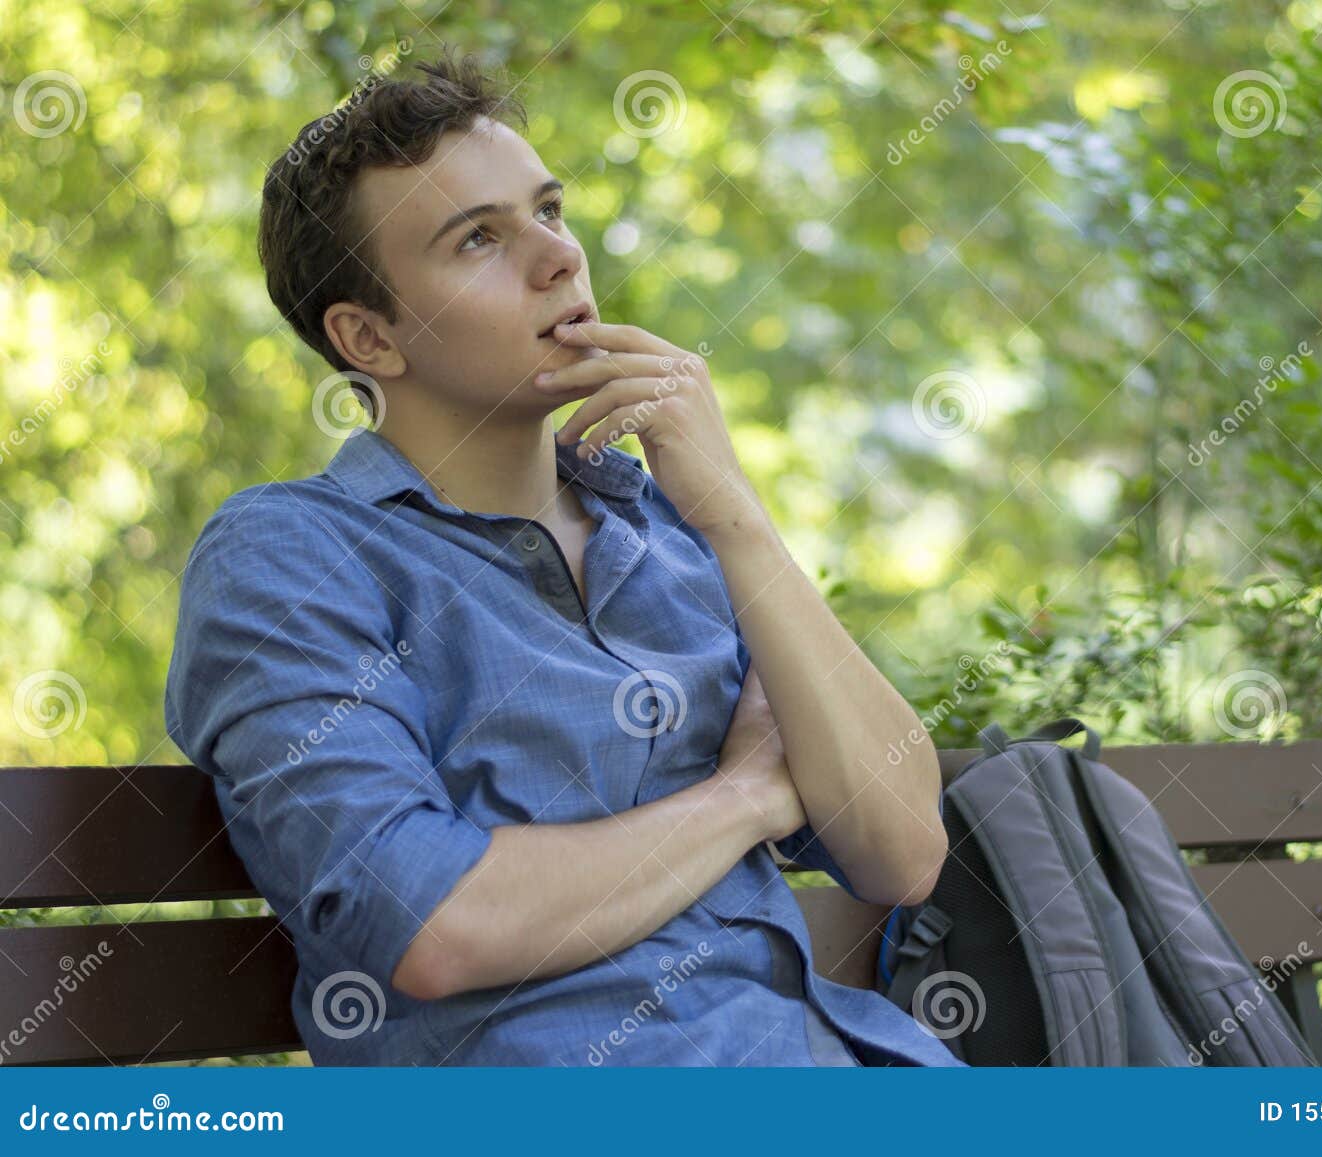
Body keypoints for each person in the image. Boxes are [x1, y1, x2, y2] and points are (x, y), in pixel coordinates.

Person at [163, 47, 961, 1067]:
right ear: (368, 338)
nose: (556, 258)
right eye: (478, 240)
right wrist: (748, 796)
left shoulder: (676, 533)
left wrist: (739, 520)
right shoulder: (290, 557)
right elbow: (431, 922)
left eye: (547, 210)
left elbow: (903, 849)